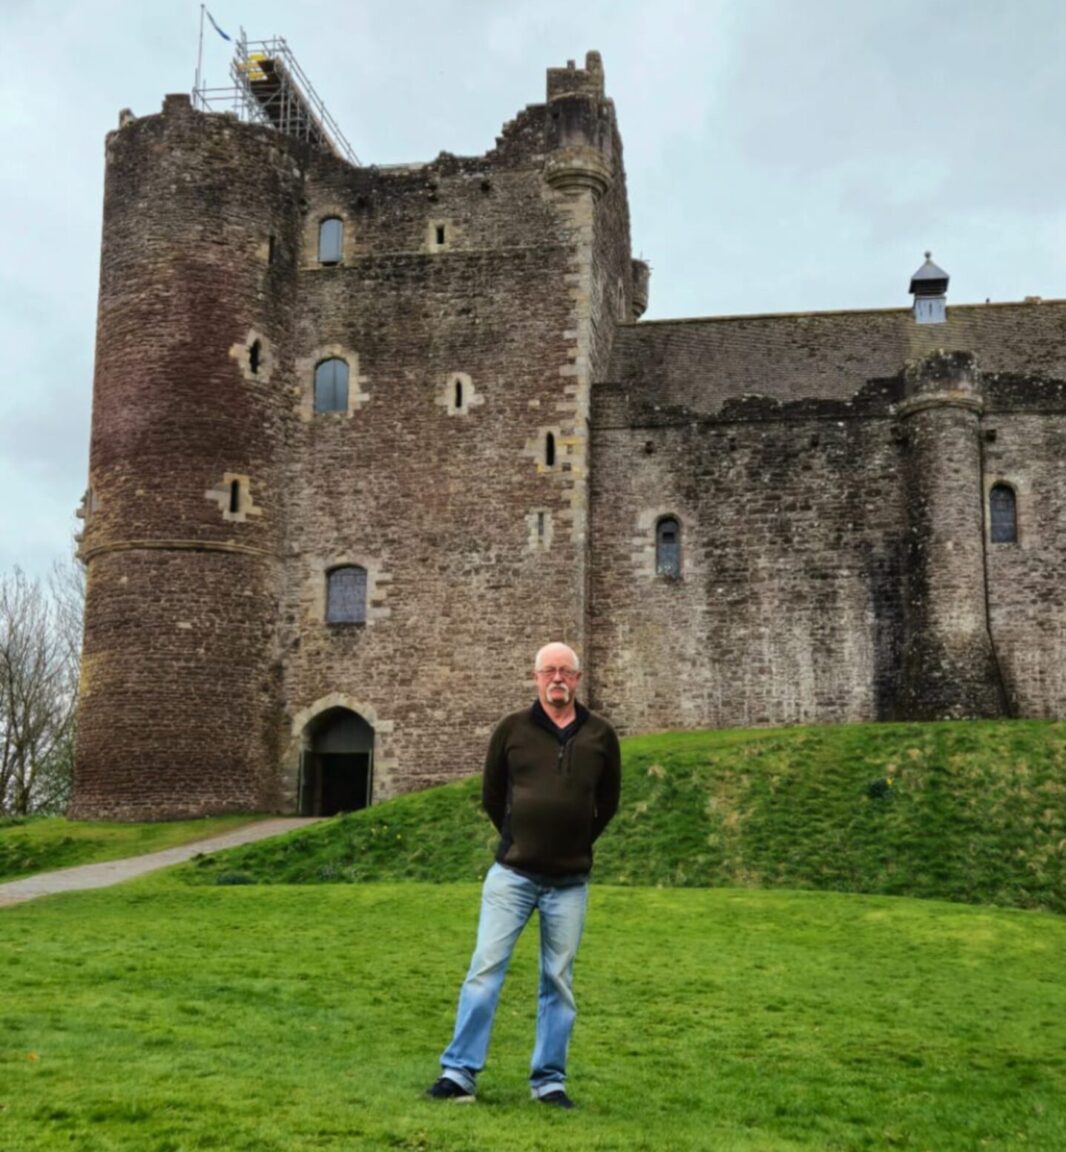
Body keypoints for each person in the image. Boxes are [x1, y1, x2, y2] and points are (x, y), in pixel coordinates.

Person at [426, 641, 621, 1109]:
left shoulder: (600, 734)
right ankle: (459, 1073)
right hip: (512, 876)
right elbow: (493, 795)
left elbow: (609, 802)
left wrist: (575, 840)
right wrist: (519, 838)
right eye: (548, 671)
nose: (557, 678)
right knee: (484, 971)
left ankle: (549, 1081)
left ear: (577, 679)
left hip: (569, 882)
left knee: (558, 981)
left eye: (566, 672)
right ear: (536, 677)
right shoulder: (511, 729)